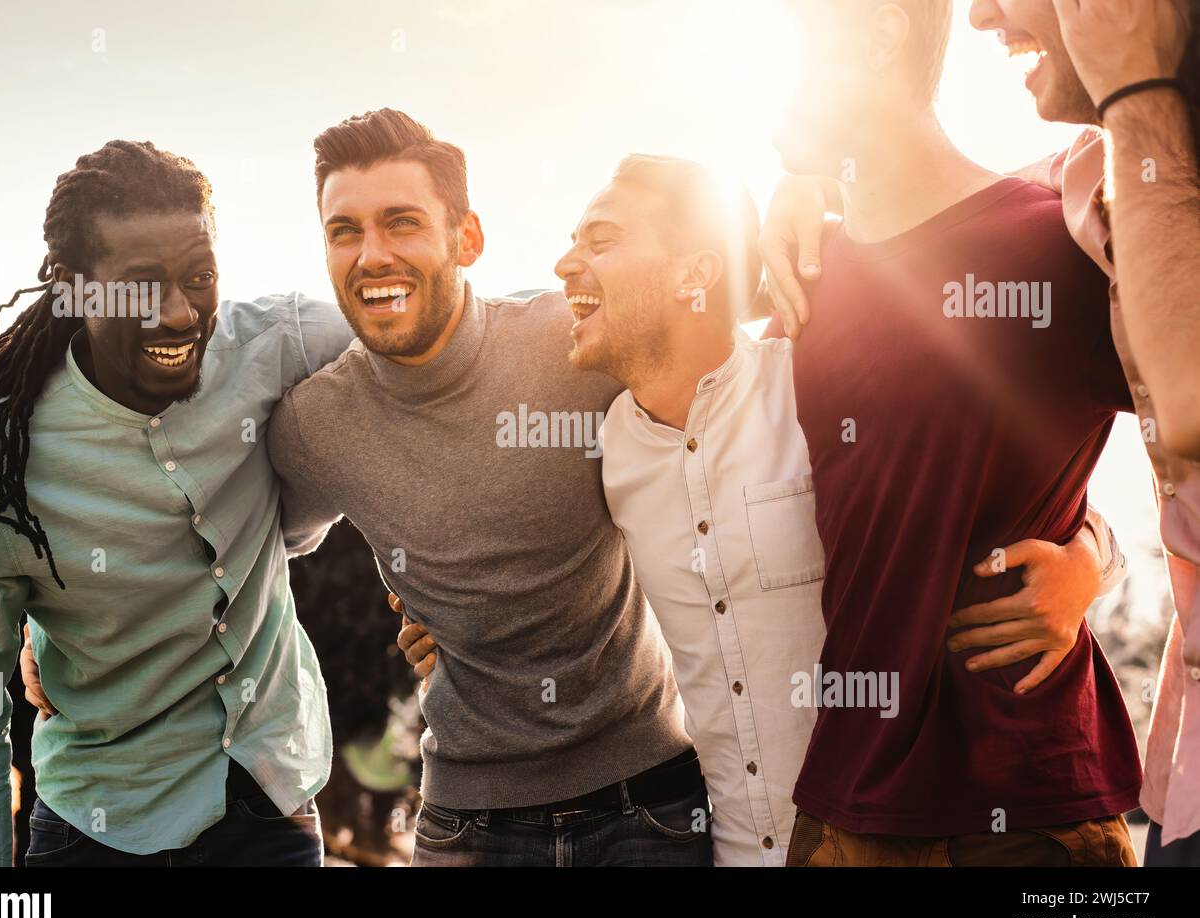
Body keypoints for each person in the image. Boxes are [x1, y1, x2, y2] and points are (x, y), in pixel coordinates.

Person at [403, 153, 1127, 865]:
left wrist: (1093, 555)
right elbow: (533, 561)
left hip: (890, 835)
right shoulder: (606, 449)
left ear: (696, 272)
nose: (564, 265)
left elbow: (991, 481)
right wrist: (460, 624)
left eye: (601, 239)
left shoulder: (818, 388)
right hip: (732, 849)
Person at [267, 109, 710, 868]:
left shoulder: (573, 344)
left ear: (466, 239)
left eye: (400, 223)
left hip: (654, 804)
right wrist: (58, 629)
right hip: (468, 828)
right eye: (345, 231)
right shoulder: (315, 426)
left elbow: (746, 350)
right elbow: (230, 547)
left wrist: (804, 205)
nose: (371, 255)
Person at [758, 0, 1141, 865]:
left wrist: (1096, 561)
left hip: (1033, 818)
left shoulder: (1056, 251)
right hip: (842, 813)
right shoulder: (801, 279)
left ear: (882, 31)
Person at [0, 140, 352, 866]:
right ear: (72, 287)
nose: (182, 314)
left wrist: (430, 588)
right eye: (143, 286)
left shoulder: (277, 344)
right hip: (97, 831)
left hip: (269, 806)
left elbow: (442, 341)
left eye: (200, 277)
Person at [969, 0, 1200, 869]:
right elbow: (915, 229)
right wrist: (809, 199)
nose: (982, 17)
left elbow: (1192, 404)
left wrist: (1139, 86)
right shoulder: (1091, 177)